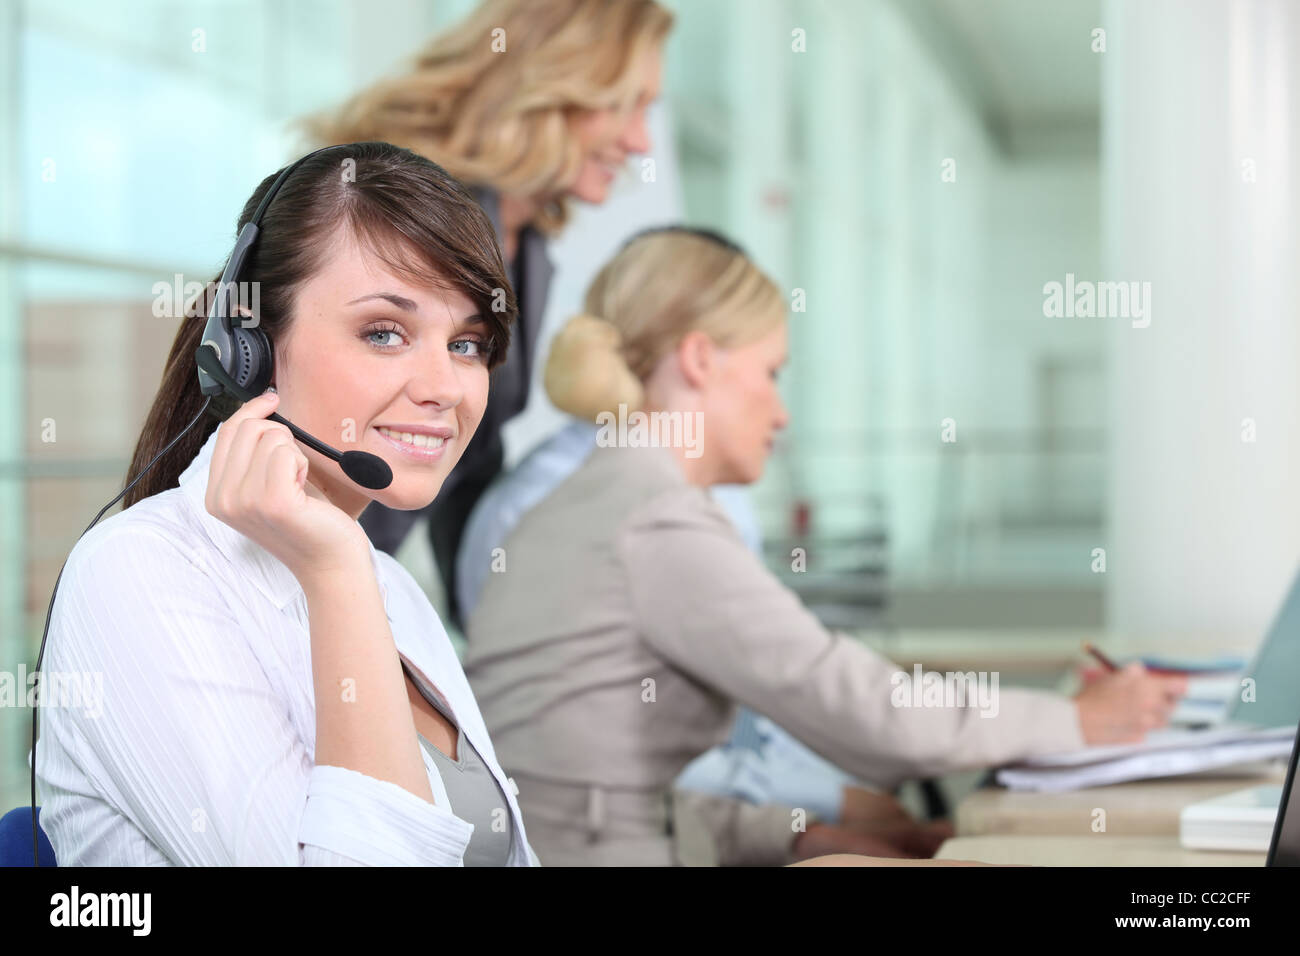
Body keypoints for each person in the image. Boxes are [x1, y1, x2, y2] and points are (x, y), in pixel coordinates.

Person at [460, 227, 1189, 866]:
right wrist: (1080, 721)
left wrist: (795, 837)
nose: (780, 412)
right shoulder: (651, 520)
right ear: (700, 359)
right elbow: (865, 710)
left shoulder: (585, 502)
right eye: (772, 373)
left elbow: (589, 798)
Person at [34, 142, 540, 866]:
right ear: (250, 351)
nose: (446, 388)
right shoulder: (137, 573)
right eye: (385, 332)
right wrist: (337, 573)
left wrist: (345, 571)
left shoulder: (387, 586)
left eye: (468, 344)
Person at [300, 0, 673, 628]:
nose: (640, 141)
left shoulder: (525, 246)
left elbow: (470, 458)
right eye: (623, 104)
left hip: (358, 578)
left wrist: (489, 624)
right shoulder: (415, 221)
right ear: (549, 85)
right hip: (304, 573)